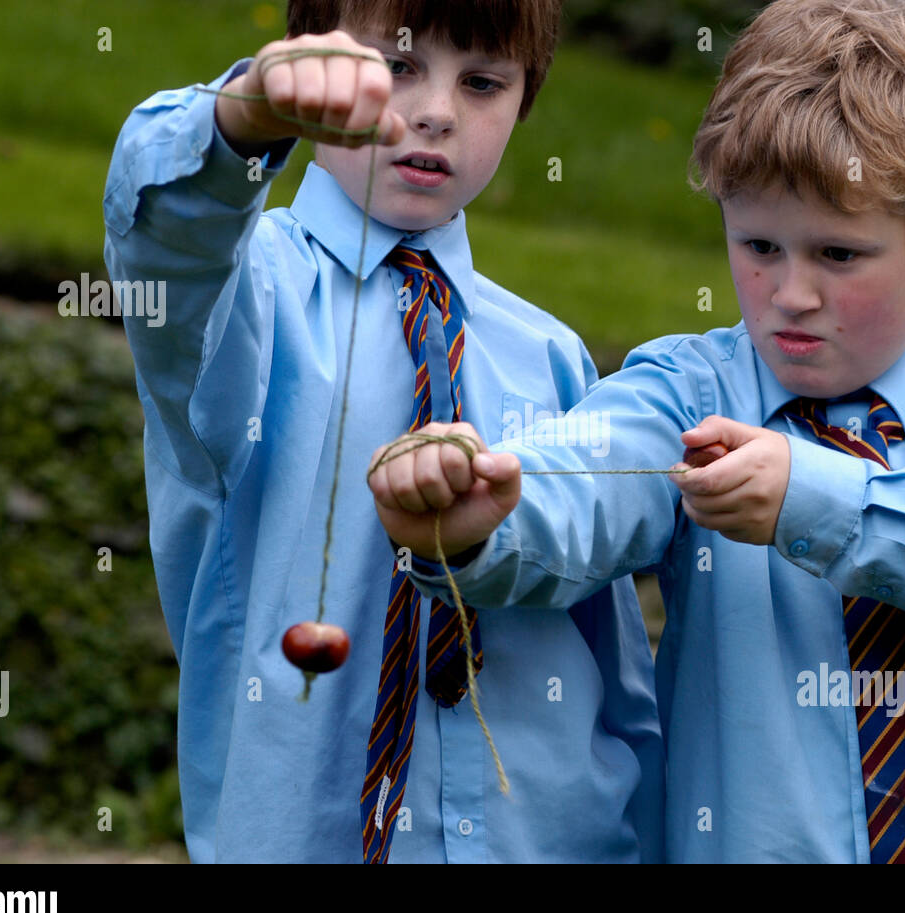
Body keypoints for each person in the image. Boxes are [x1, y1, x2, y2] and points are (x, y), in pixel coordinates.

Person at [366, 0, 905, 862]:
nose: (791, 294)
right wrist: (480, 521)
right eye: (759, 246)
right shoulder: (689, 391)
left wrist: (822, 499)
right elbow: (581, 482)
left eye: (838, 254)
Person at [104, 0, 663, 863]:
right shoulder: (247, 301)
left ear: (526, 102)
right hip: (306, 832)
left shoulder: (551, 356)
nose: (437, 109)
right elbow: (170, 244)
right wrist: (245, 116)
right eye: (398, 66)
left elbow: (613, 656)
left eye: (483, 82)